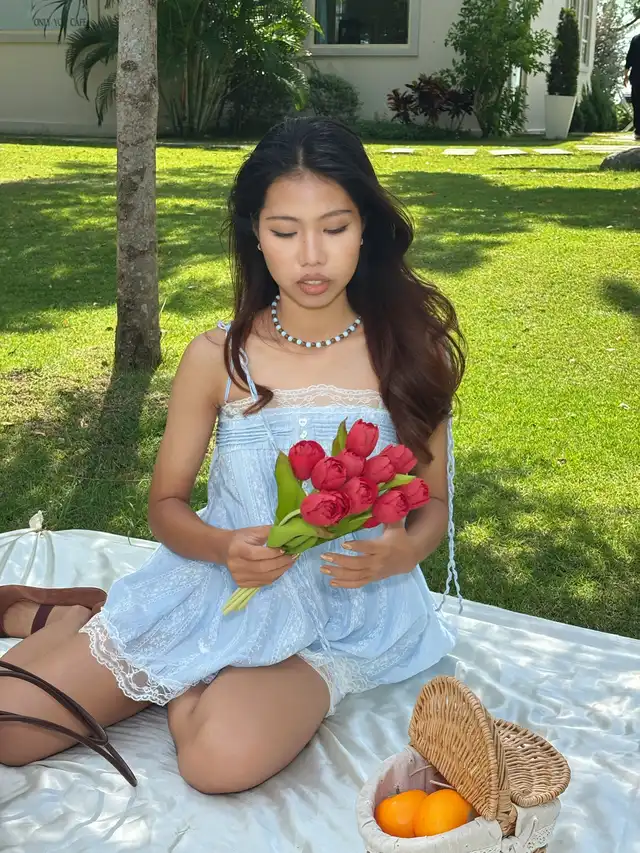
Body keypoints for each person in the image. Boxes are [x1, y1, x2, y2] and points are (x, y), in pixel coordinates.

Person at [0, 117, 465, 794]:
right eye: (286, 231)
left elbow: (432, 500)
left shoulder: (411, 353)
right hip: (219, 584)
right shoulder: (217, 357)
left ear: (365, 227)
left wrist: (403, 552)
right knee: (10, 730)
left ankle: (181, 675)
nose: (312, 256)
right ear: (255, 233)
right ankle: (73, 619)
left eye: (334, 228)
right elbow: (166, 506)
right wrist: (223, 548)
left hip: (342, 614)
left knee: (218, 762)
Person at [624, 32, 640, 140]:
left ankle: (638, 131)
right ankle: (638, 131)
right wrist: (626, 75)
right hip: (636, 77)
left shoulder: (636, 39)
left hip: (636, 77)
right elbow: (629, 58)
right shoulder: (636, 39)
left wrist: (626, 75)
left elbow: (629, 58)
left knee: (637, 104)